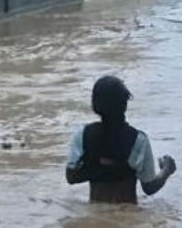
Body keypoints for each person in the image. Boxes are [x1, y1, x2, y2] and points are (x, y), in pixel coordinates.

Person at [65, 75, 176, 204]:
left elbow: (71, 177)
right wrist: (166, 170)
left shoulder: (83, 135)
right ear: (125, 104)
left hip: (96, 210)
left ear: (95, 105)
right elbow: (149, 187)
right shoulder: (138, 140)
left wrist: (99, 166)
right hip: (127, 214)